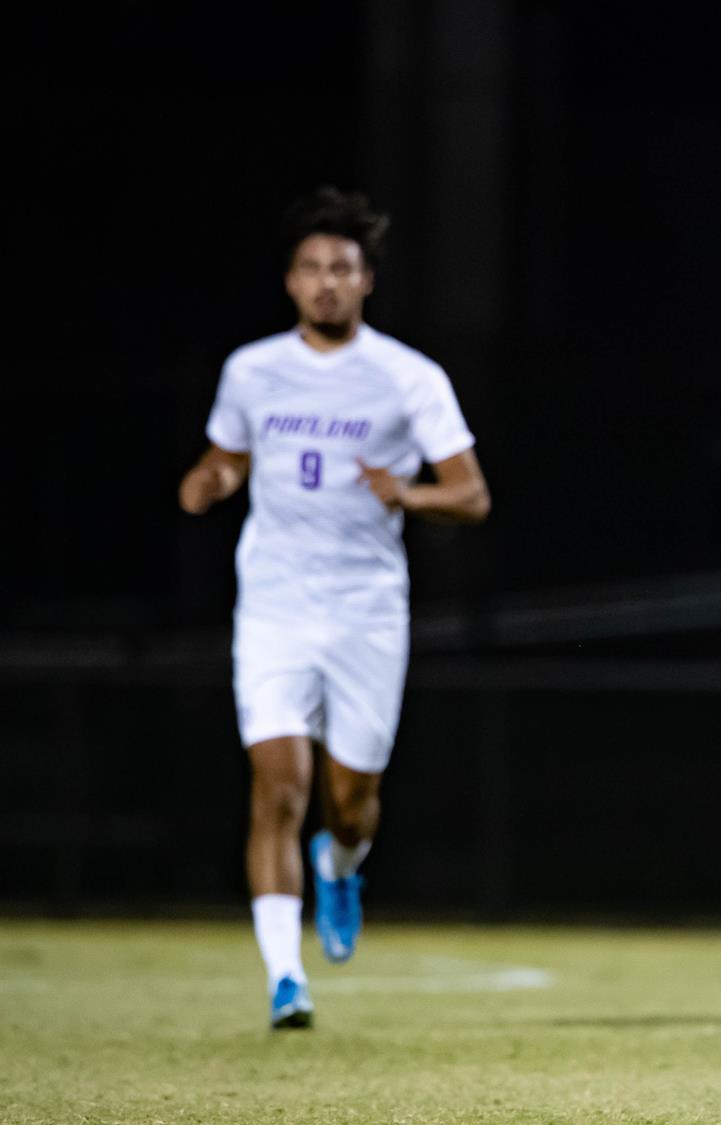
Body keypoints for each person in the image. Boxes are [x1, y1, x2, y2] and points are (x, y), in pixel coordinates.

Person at [177, 187, 491, 1029]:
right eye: (312, 269)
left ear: (366, 282)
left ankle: (341, 863)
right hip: (275, 605)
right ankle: (286, 977)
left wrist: (411, 494)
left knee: (349, 801)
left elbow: (471, 493)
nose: (326, 283)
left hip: (366, 612)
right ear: (290, 282)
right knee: (279, 786)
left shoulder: (407, 376)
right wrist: (215, 477)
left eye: (341, 269)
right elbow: (229, 452)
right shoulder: (252, 369)